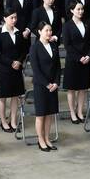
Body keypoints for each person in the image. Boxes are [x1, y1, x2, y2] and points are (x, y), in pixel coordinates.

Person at [0, 9, 27, 133]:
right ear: (5, 18)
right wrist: (11, 62)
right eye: (11, 18)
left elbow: (24, 50)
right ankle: (3, 122)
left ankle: (13, 121)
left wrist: (19, 61)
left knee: (15, 96)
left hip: (17, 69)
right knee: (3, 97)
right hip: (4, 69)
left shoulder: (18, 33)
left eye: (15, 18)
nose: (14, 20)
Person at [29, 21, 60, 151]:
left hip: (53, 85)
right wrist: (47, 84)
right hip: (41, 86)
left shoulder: (53, 45)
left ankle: (47, 138)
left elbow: (58, 66)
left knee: (49, 114)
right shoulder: (35, 47)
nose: (49, 33)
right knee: (41, 114)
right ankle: (40, 140)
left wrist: (56, 82)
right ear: (40, 32)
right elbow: (36, 69)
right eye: (46, 30)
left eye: (50, 30)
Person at [62, 0, 90, 124]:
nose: (81, 11)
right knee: (72, 89)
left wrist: (89, 56)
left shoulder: (87, 23)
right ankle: (72, 112)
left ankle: (80, 111)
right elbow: (67, 45)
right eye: (78, 9)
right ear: (72, 11)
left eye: (82, 9)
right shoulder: (67, 25)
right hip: (73, 61)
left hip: (85, 60)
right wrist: (79, 57)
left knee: (83, 88)